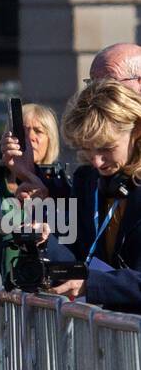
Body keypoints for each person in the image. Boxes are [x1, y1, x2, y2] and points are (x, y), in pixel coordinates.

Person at [48, 79, 141, 310]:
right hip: (103, 326)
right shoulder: (87, 180)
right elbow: (79, 257)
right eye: (88, 149)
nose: (97, 161)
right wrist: (44, 242)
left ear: (137, 131)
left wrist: (94, 284)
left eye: (106, 148)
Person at [0, 103, 63, 282]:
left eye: (38, 131)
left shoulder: (60, 186)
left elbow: (66, 242)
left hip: (43, 288)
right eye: (23, 132)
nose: (30, 137)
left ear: (50, 140)